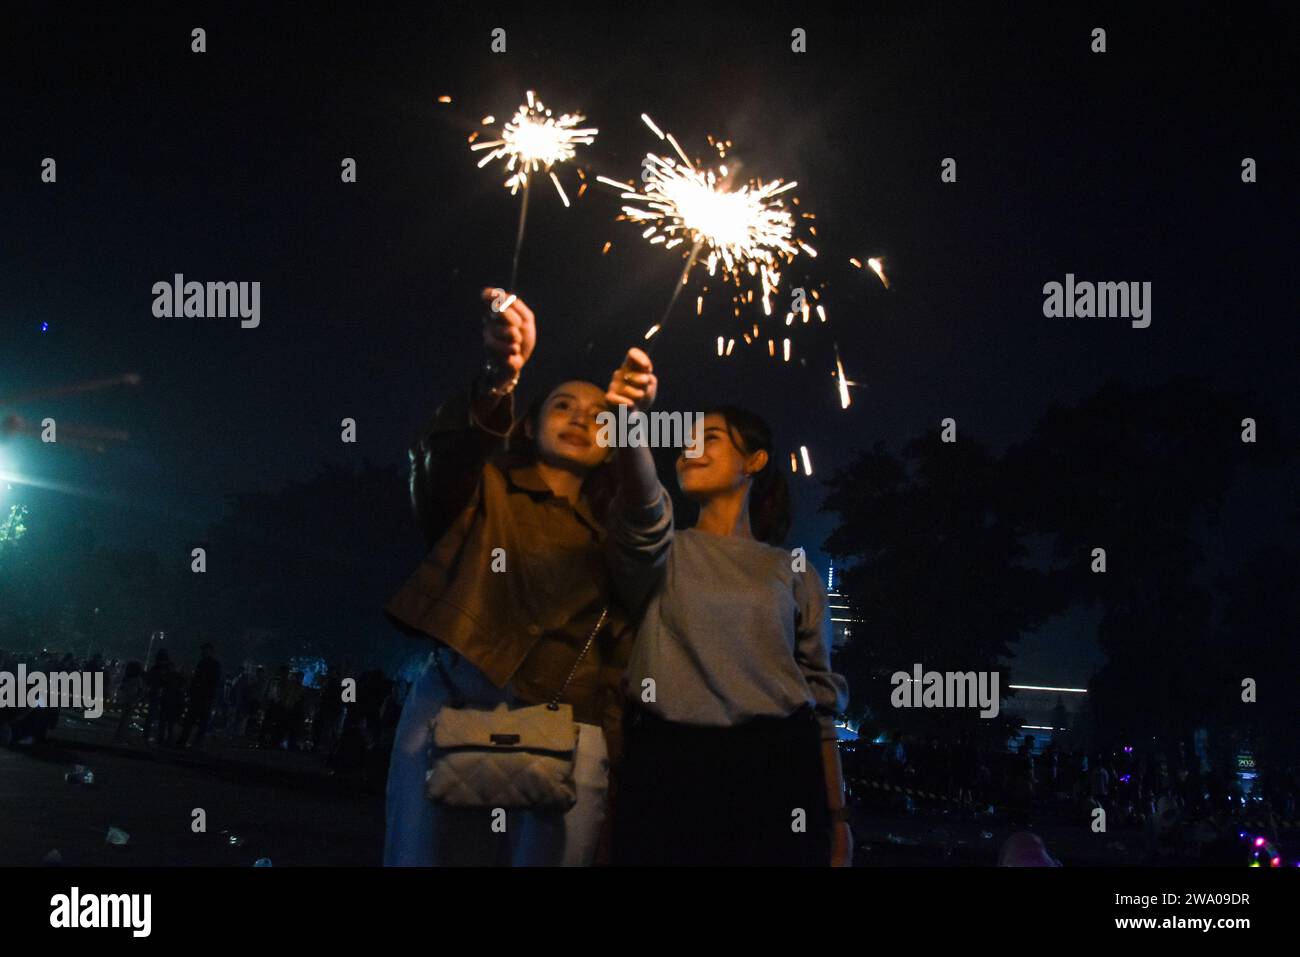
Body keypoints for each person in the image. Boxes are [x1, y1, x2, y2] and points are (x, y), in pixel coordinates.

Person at [381, 287, 634, 866]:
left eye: (601, 415)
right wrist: (499, 378)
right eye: (563, 405)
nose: (580, 419)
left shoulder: (619, 535)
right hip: (455, 705)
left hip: (571, 725)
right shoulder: (485, 488)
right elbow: (444, 459)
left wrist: (617, 761)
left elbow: (623, 651)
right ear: (530, 423)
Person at [603, 347, 851, 865]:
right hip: (667, 765)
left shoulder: (793, 570)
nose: (689, 449)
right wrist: (626, 422)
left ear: (754, 461)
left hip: (776, 767)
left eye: (709, 438)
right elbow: (640, 501)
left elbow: (820, 700)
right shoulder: (661, 549)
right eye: (686, 441)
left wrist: (837, 819)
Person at [179, 643, 222, 748]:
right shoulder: (208, 664)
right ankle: (193, 743)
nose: (203, 652)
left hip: (203, 696)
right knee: (196, 721)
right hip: (202, 696)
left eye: (205, 650)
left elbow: (211, 682)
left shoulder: (209, 664)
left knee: (194, 721)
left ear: (210, 651)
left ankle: (189, 742)